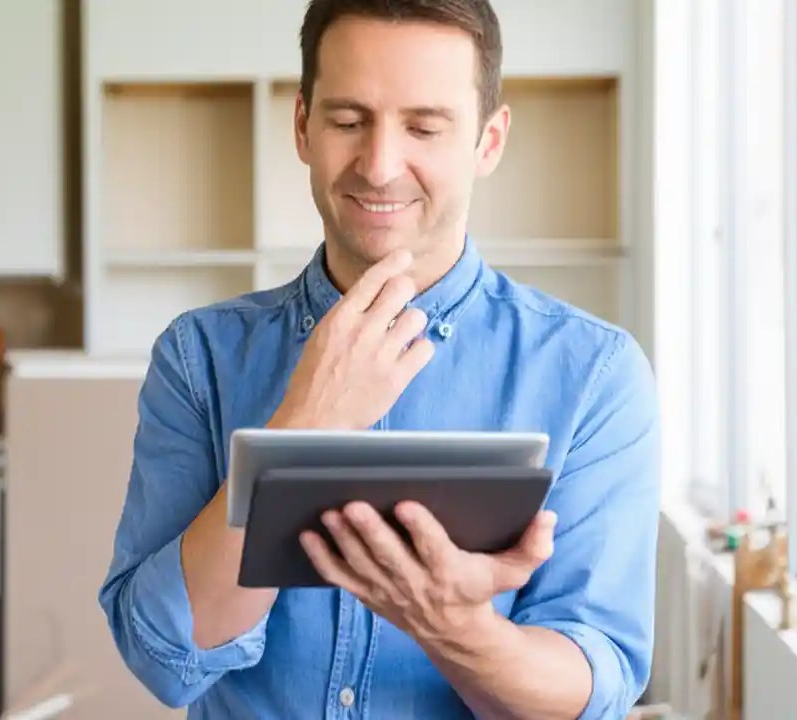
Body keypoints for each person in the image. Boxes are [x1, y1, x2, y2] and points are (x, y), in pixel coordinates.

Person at [98, 0, 661, 717]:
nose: (380, 165)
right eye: (347, 121)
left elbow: (596, 687)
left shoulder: (595, 375)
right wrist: (301, 429)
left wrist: (455, 627)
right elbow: (162, 660)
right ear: (302, 126)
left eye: (424, 127)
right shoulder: (199, 357)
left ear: (488, 141)